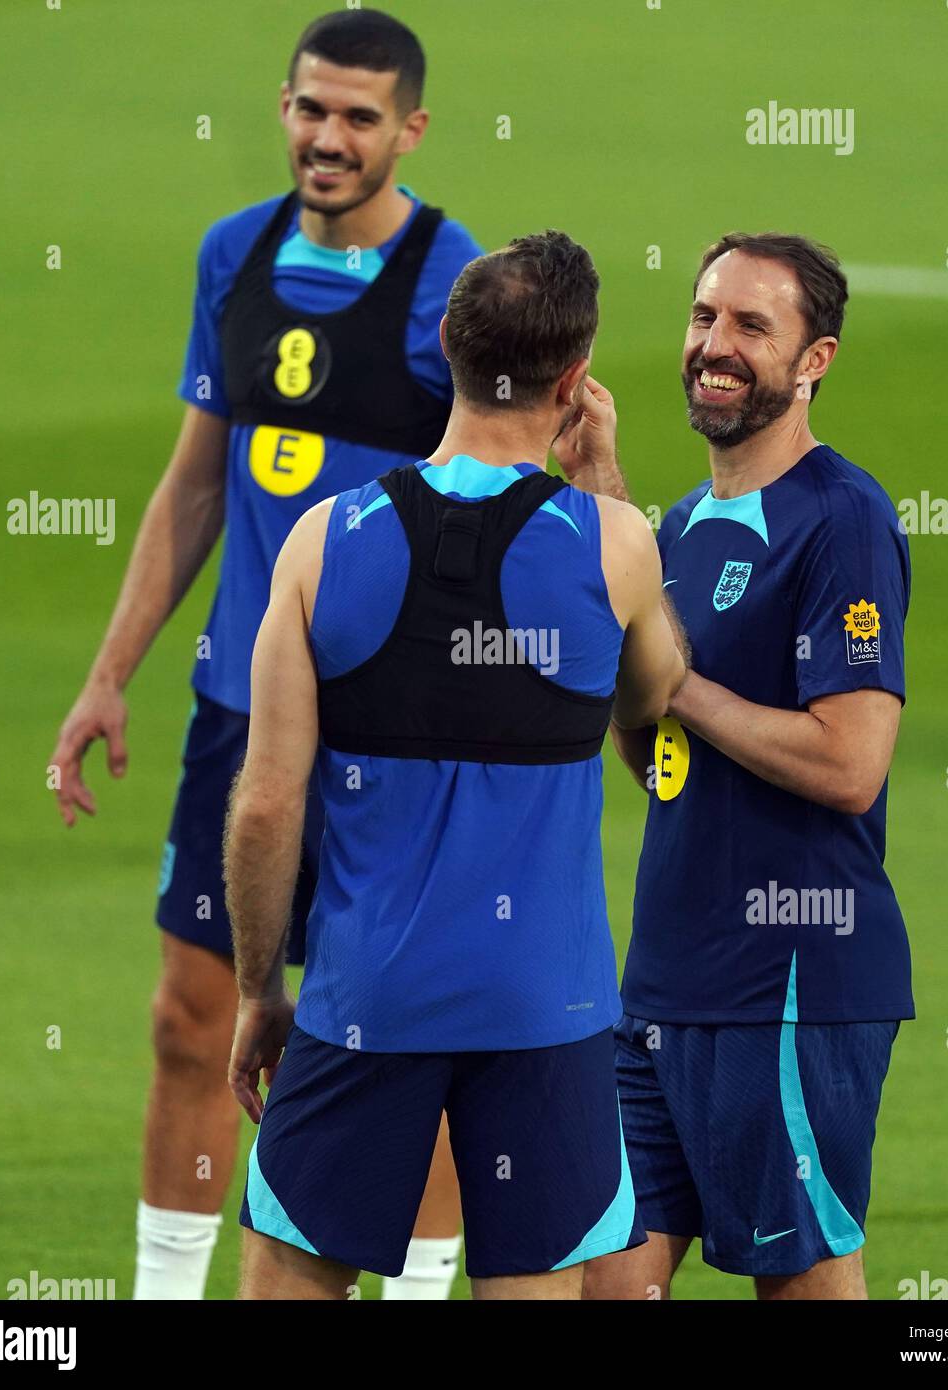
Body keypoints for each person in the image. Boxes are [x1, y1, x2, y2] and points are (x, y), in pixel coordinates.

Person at [48, 10, 480, 1300]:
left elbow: (497, 501)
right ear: (281, 106)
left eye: (358, 116)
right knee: (190, 1020)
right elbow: (195, 482)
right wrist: (108, 672)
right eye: (309, 108)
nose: (327, 137)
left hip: (391, 732)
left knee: (404, 1040)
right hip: (237, 715)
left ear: (410, 129)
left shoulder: (456, 284)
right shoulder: (231, 254)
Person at [223, 230, 688, 1299]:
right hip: (548, 1011)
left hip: (365, 999)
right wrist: (602, 481)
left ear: (445, 341)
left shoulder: (322, 542)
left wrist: (258, 989)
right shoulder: (614, 546)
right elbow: (658, 702)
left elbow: (265, 809)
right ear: (573, 381)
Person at [586, 233, 912, 1301]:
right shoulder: (681, 524)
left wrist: (676, 683)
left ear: (813, 360)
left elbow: (851, 763)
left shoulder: (842, 520)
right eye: (702, 316)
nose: (713, 345)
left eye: (749, 327)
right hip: (663, 982)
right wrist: (602, 500)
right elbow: (658, 763)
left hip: (785, 985)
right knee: (600, 1286)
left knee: (800, 1283)